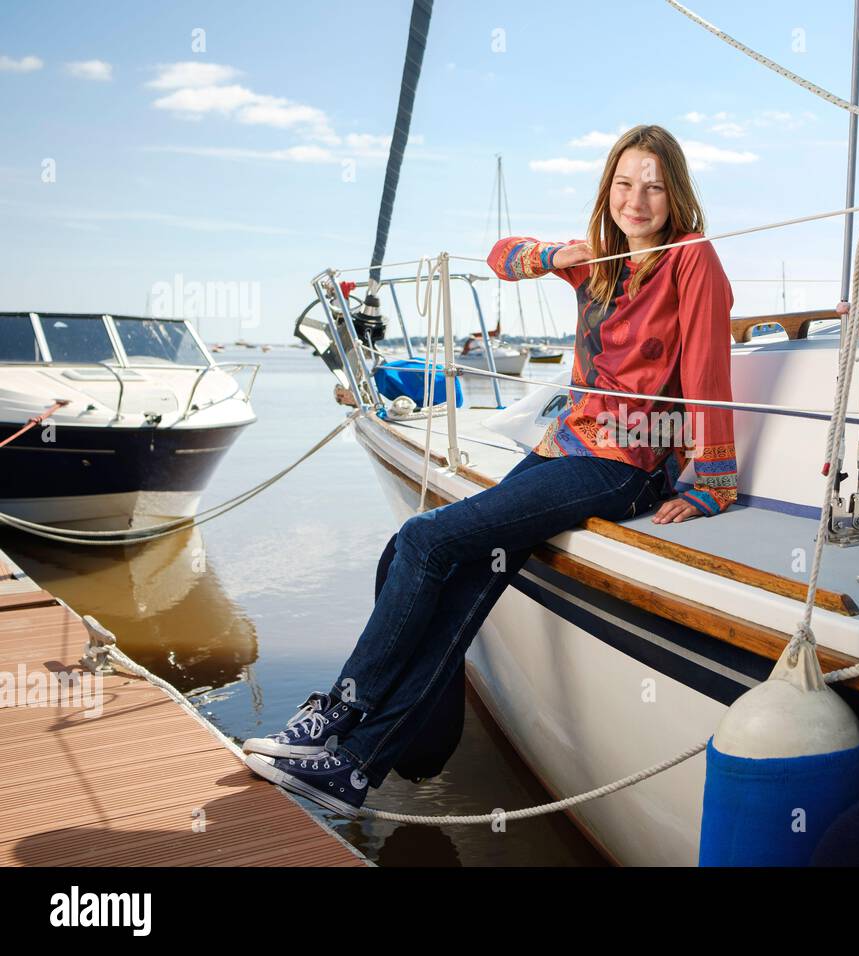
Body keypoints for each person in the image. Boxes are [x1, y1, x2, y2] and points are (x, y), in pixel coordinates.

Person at [242, 125, 740, 816]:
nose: (638, 198)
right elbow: (501, 258)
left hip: (625, 462)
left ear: (676, 193)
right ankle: (354, 769)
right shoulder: (599, 261)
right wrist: (563, 251)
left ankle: (336, 719)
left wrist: (710, 479)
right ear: (608, 189)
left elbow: (711, 371)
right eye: (625, 183)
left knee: (424, 540)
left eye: (654, 185)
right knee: (437, 559)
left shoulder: (690, 258)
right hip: (565, 446)